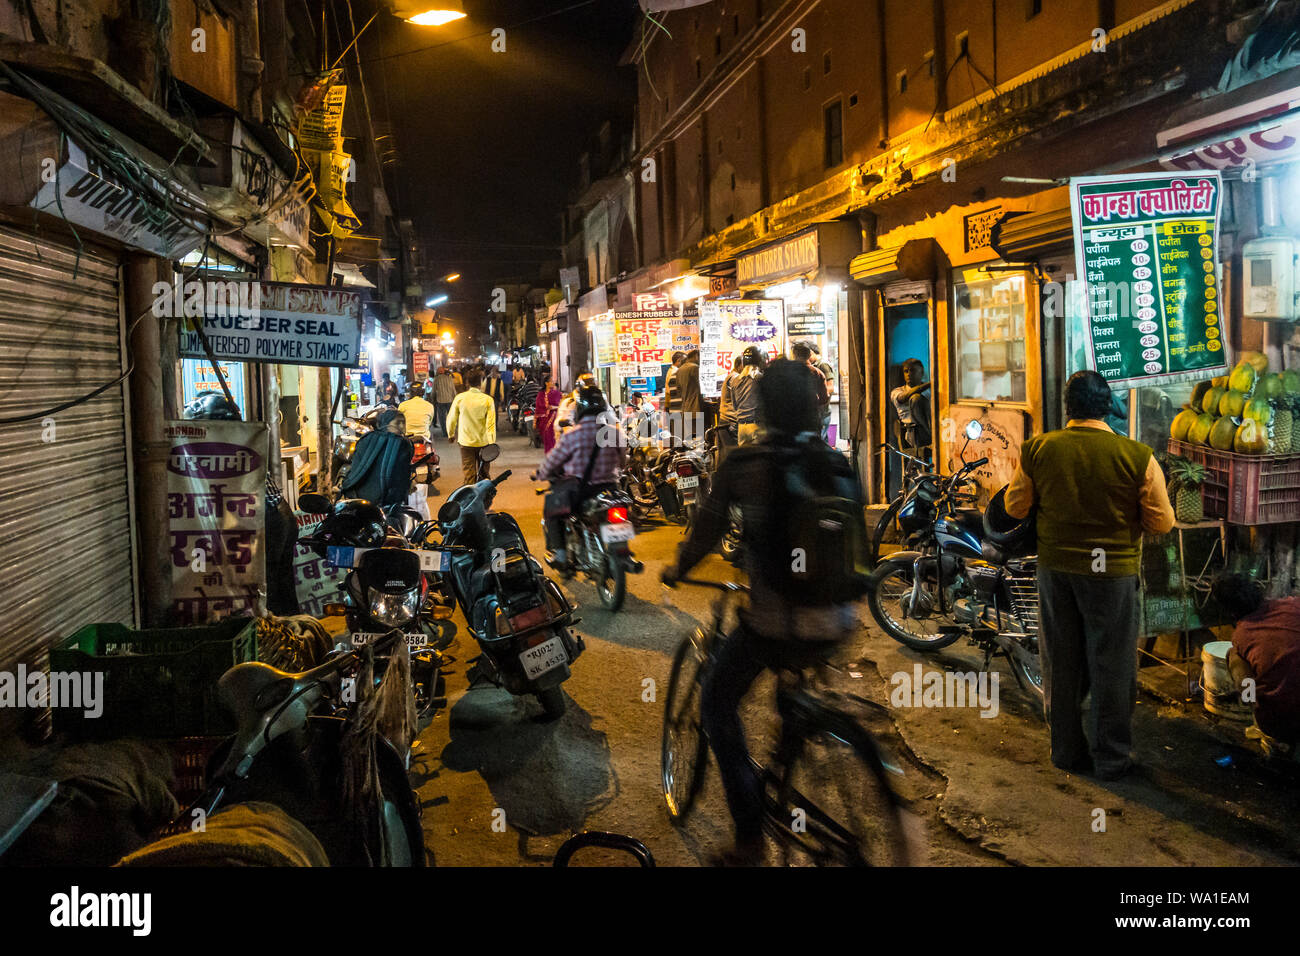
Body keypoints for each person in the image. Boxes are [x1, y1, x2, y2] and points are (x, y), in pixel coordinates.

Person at [661, 359, 865, 865]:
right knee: (789, 701)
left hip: (776, 625)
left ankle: (750, 838)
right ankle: (792, 749)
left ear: (764, 408)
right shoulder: (838, 464)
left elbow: (705, 533)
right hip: (838, 622)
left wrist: (678, 569)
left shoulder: (746, 464)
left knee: (715, 704)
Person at [1004, 370, 1175, 779]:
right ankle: (1111, 759)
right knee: (1112, 665)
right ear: (1106, 409)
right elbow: (1162, 523)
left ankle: (1066, 752)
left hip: (1057, 570)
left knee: (1061, 661)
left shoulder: (1038, 449)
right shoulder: (1137, 456)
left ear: (1069, 407)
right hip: (1111, 574)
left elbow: (1014, 507)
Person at [182, 391, 300, 617]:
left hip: (270, 519)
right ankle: (290, 631)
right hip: (280, 514)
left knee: (267, 586)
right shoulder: (235, 441)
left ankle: (276, 636)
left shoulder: (222, 446)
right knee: (281, 583)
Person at [532, 379, 627, 571]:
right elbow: (623, 461)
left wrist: (540, 473)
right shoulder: (614, 433)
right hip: (610, 489)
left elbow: (553, 461)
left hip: (579, 490)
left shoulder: (573, 435)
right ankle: (624, 553)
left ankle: (559, 554)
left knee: (552, 508)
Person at [1210, 573, 1300, 757]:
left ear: (1230, 611)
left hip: (1281, 722)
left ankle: (1252, 705)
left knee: (1232, 654)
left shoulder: (1242, 635)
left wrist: (1249, 694)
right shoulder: (1294, 604)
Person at [340, 409, 414, 509]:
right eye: (398, 422)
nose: (401, 426)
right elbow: (402, 476)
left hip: (356, 496)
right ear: (387, 423)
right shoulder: (403, 444)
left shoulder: (366, 438)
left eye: (403, 422)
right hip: (387, 502)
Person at [445, 369, 497, 485]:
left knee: (469, 475)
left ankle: (470, 498)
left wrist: (451, 434)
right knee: (484, 474)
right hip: (484, 443)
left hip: (465, 442)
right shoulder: (488, 400)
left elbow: (451, 418)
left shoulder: (460, 398)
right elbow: (491, 424)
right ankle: (484, 498)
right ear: (481, 383)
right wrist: (491, 442)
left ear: (467, 383)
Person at [720, 346, 767, 445]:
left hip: (742, 427)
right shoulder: (760, 379)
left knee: (744, 458)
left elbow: (735, 405)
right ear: (761, 361)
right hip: (757, 426)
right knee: (759, 458)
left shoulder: (735, 381)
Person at [891, 358, 931, 456]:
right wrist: (931, 383)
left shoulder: (930, 391)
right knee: (915, 398)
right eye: (906, 371)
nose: (908, 374)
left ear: (921, 373)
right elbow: (903, 398)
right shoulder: (897, 391)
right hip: (913, 433)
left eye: (912, 370)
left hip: (932, 427)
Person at [791, 343, 830, 437]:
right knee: (814, 448)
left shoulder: (788, 373)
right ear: (809, 355)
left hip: (793, 419)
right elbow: (824, 398)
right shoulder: (817, 373)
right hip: (812, 418)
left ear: (794, 356)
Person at [676, 348, 702, 443]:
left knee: (689, 437)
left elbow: (678, 390)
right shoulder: (694, 368)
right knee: (698, 437)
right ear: (696, 356)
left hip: (685, 407)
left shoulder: (680, 370)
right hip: (696, 407)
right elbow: (701, 386)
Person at [537, 376, 563, 454]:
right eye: (551, 381)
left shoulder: (557, 393)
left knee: (555, 437)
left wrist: (554, 407)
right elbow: (539, 407)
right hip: (544, 420)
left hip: (555, 417)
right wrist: (547, 408)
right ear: (546, 383)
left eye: (553, 381)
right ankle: (549, 455)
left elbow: (561, 405)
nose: (553, 382)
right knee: (547, 438)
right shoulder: (541, 394)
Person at [432, 366, 458, 438]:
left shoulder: (436, 379)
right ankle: (451, 431)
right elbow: (453, 389)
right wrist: (455, 398)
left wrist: (432, 398)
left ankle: (445, 433)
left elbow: (433, 390)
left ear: (438, 372)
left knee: (442, 417)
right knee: (451, 416)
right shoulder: (449, 378)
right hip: (450, 400)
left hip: (440, 401)